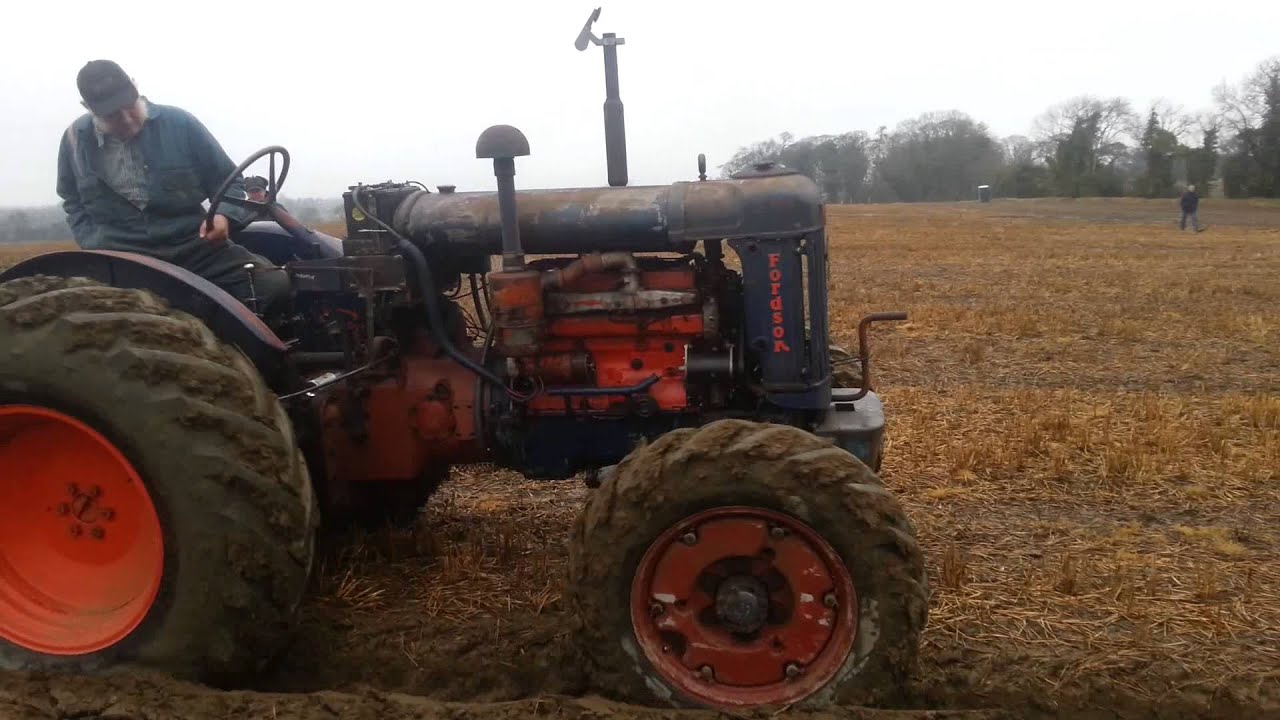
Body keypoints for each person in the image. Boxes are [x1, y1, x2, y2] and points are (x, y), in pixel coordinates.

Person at [56, 60, 290, 321]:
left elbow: (228, 181)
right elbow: (71, 198)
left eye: (129, 106)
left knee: (275, 286)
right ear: (88, 109)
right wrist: (92, 241)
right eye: (112, 115)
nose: (126, 118)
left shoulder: (180, 124)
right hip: (123, 262)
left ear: (134, 87)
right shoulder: (74, 142)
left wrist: (223, 216)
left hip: (195, 250)